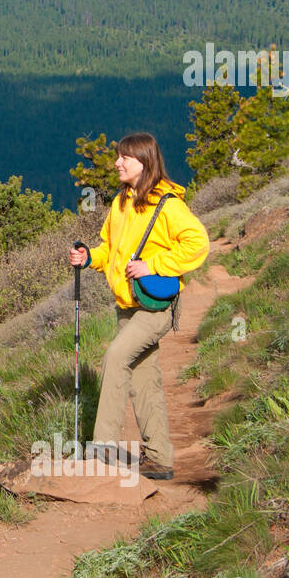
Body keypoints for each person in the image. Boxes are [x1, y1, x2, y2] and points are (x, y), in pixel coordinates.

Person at [67, 132, 209, 480]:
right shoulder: (121, 202)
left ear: (143, 162)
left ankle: (102, 451)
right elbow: (109, 249)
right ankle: (160, 459)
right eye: (118, 157)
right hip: (127, 305)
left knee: (116, 357)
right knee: (144, 380)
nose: (117, 163)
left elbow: (199, 244)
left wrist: (154, 265)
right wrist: (88, 258)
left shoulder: (168, 203)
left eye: (124, 158)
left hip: (154, 307)